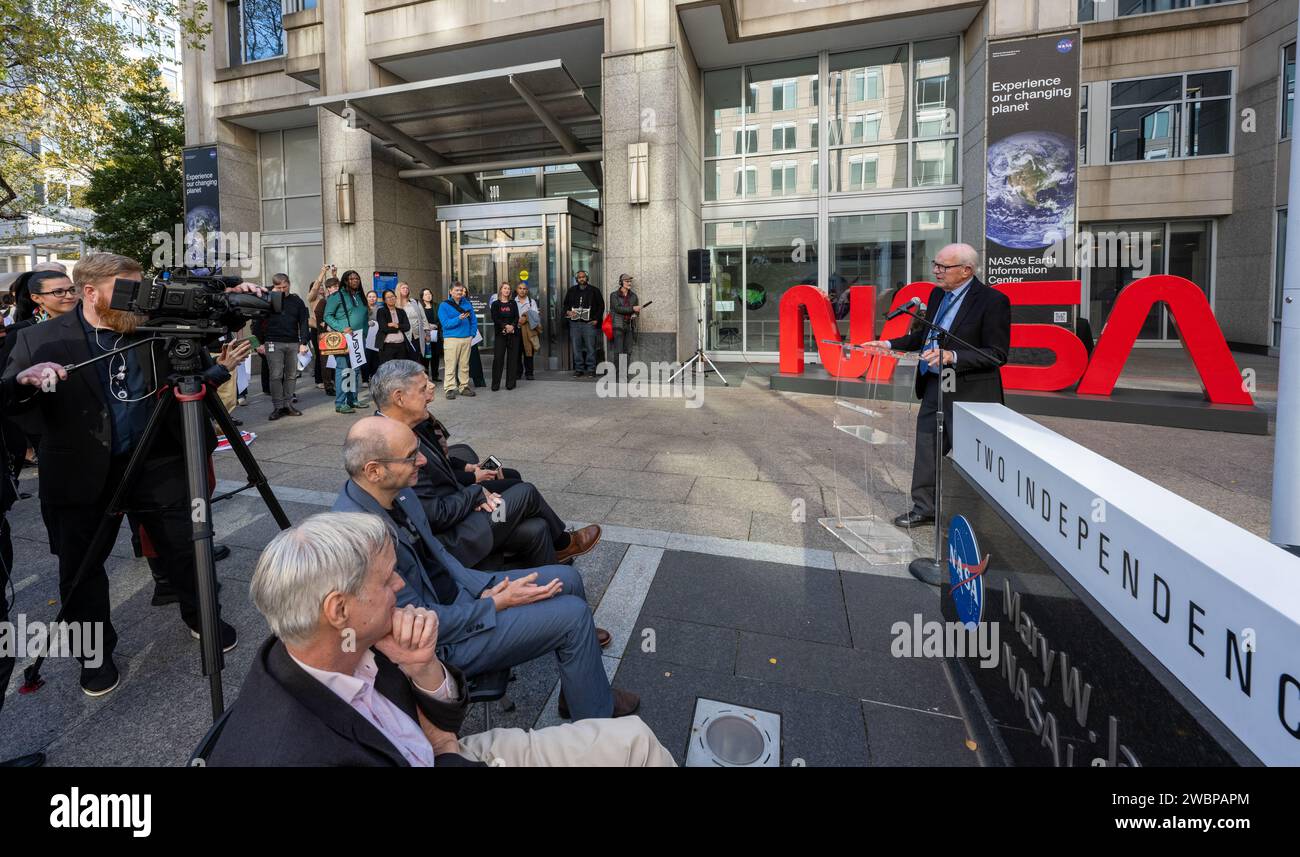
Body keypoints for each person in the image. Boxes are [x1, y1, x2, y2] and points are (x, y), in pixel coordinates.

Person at [206, 513, 673, 766]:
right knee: (635, 743)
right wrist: (446, 748)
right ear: (338, 608)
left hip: (446, 751)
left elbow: (446, 720)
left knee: (635, 737)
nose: (398, 590)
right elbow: (442, 739)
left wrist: (424, 669)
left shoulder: (349, 643)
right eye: (387, 581)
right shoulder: (296, 748)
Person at [0, 252, 258, 695]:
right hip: (78, 470)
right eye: (128, 289)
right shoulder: (39, 339)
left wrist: (238, 300)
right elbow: (12, 400)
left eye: (142, 287)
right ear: (90, 292)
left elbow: (201, 359)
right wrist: (26, 381)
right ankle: (94, 655)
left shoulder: (156, 326)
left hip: (158, 460)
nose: (140, 298)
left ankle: (202, 617)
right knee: (81, 570)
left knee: (185, 547)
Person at [331, 416, 639, 720]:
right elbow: (417, 625)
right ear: (374, 470)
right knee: (573, 615)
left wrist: (482, 588)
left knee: (568, 577)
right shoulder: (361, 539)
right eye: (412, 456)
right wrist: (494, 603)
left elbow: (439, 555)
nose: (423, 461)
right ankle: (596, 721)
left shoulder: (399, 492)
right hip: (440, 642)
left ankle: (581, 695)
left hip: (461, 597)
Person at [372, 360, 602, 572]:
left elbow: (443, 464)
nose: (431, 390)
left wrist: (471, 472)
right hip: (457, 538)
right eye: (423, 389)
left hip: (462, 514)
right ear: (399, 398)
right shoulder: (391, 447)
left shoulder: (411, 426)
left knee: (537, 526)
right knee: (525, 492)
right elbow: (436, 515)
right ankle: (564, 544)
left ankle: (554, 587)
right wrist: (475, 492)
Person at [862, 243, 1010, 528]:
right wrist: (888, 343)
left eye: (944, 267)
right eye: (935, 264)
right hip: (935, 383)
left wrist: (952, 356)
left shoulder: (992, 301)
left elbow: (996, 353)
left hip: (972, 391)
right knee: (928, 447)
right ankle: (924, 508)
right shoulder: (936, 295)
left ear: (967, 270)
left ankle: (985, 521)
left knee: (974, 459)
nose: (936, 271)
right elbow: (924, 337)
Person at [255, 273, 310, 421]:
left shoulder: (296, 300)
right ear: (274, 286)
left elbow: (303, 321)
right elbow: (256, 322)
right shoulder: (267, 299)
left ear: (289, 285)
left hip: (293, 342)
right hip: (273, 342)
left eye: (285, 287)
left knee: (291, 375)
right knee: (276, 375)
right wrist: (259, 343)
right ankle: (278, 407)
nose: (282, 290)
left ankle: (288, 404)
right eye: (278, 287)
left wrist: (304, 342)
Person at [324, 269, 369, 413]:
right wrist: (341, 328)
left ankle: (352, 399)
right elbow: (328, 316)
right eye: (351, 279)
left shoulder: (360, 296)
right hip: (344, 338)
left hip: (358, 339)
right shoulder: (337, 296)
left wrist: (365, 334)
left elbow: (364, 317)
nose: (355, 281)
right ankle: (340, 403)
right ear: (345, 281)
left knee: (355, 371)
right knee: (343, 370)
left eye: (357, 278)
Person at [438, 281, 477, 399]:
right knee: (450, 364)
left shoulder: (467, 304)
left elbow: (473, 321)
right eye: (457, 290)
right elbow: (445, 324)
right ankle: (449, 388)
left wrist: (472, 335)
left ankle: (464, 386)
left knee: (464, 365)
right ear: (450, 292)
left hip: (466, 338)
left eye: (461, 290)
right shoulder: (444, 305)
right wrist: (458, 318)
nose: (459, 292)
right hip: (451, 339)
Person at [563, 270, 603, 377]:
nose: (582, 279)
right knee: (577, 348)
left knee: (591, 347)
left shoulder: (594, 291)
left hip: (589, 323)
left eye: (583, 277)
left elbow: (601, 306)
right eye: (579, 277)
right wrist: (568, 311)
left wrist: (596, 319)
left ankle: (591, 369)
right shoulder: (571, 291)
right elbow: (565, 305)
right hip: (575, 324)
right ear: (577, 279)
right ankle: (579, 369)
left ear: (587, 278)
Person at [488, 282, 520, 392]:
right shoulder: (496, 304)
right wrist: (505, 326)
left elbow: (516, 317)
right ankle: (495, 384)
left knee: (512, 359)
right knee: (498, 359)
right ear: (501, 290)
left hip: (513, 335)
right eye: (505, 288)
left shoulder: (513, 303)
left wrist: (512, 326)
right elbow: (495, 318)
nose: (507, 290)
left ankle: (510, 384)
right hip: (500, 335)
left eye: (509, 289)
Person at [608, 273, 641, 376]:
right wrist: (632, 309)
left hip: (629, 326)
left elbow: (636, 311)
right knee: (618, 351)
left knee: (628, 352)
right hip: (618, 325)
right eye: (627, 281)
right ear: (621, 282)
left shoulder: (634, 296)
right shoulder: (614, 295)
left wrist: (635, 314)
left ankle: (624, 374)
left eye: (630, 281)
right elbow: (617, 308)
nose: (629, 283)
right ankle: (618, 375)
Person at [314, 277, 340, 397]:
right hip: (326, 334)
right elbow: (318, 314)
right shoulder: (324, 301)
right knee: (326, 362)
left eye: (337, 286)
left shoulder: (341, 300)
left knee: (339, 359)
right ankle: (328, 386)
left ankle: (338, 382)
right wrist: (323, 327)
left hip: (340, 333)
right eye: (333, 287)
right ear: (328, 289)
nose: (336, 289)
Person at [374, 289, 411, 373]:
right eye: (388, 297)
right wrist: (400, 327)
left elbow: (407, 327)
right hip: (387, 346)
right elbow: (384, 328)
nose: (391, 299)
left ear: (396, 297)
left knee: (400, 370)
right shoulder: (381, 311)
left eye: (392, 296)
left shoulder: (401, 311)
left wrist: (396, 325)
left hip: (401, 346)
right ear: (384, 300)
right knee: (388, 370)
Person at [515, 280, 540, 380]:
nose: (522, 290)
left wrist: (525, 317)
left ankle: (529, 373)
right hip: (516, 329)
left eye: (524, 289)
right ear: (517, 290)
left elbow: (535, 315)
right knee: (516, 353)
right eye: (520, 288)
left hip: (528, 330)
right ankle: (518, 372)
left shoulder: (531, 301)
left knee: (528, 352)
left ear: (527, 290)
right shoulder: (513, 301)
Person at [397, 282, 424, 360]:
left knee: (414, 358)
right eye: (403, 288)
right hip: (402, 336)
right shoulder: (395, 303)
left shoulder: (414, 302)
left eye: (407, 288)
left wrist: (427, 332)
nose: (406, 290)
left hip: (415, 335)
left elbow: (423, 318)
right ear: (398, 290)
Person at [419, 287, 441, 381]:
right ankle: (425, 376)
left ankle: (435, 375)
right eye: (426, 294)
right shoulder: (420, 307)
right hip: (425, 334)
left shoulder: (437, 306)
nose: (428, 296)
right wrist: (427, 326)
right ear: (422, 296)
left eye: (429, 294)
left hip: (435, 333)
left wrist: (436, 325)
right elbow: (419, 320)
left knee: (435, 355)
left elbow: (441, 318)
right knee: (425, 356)